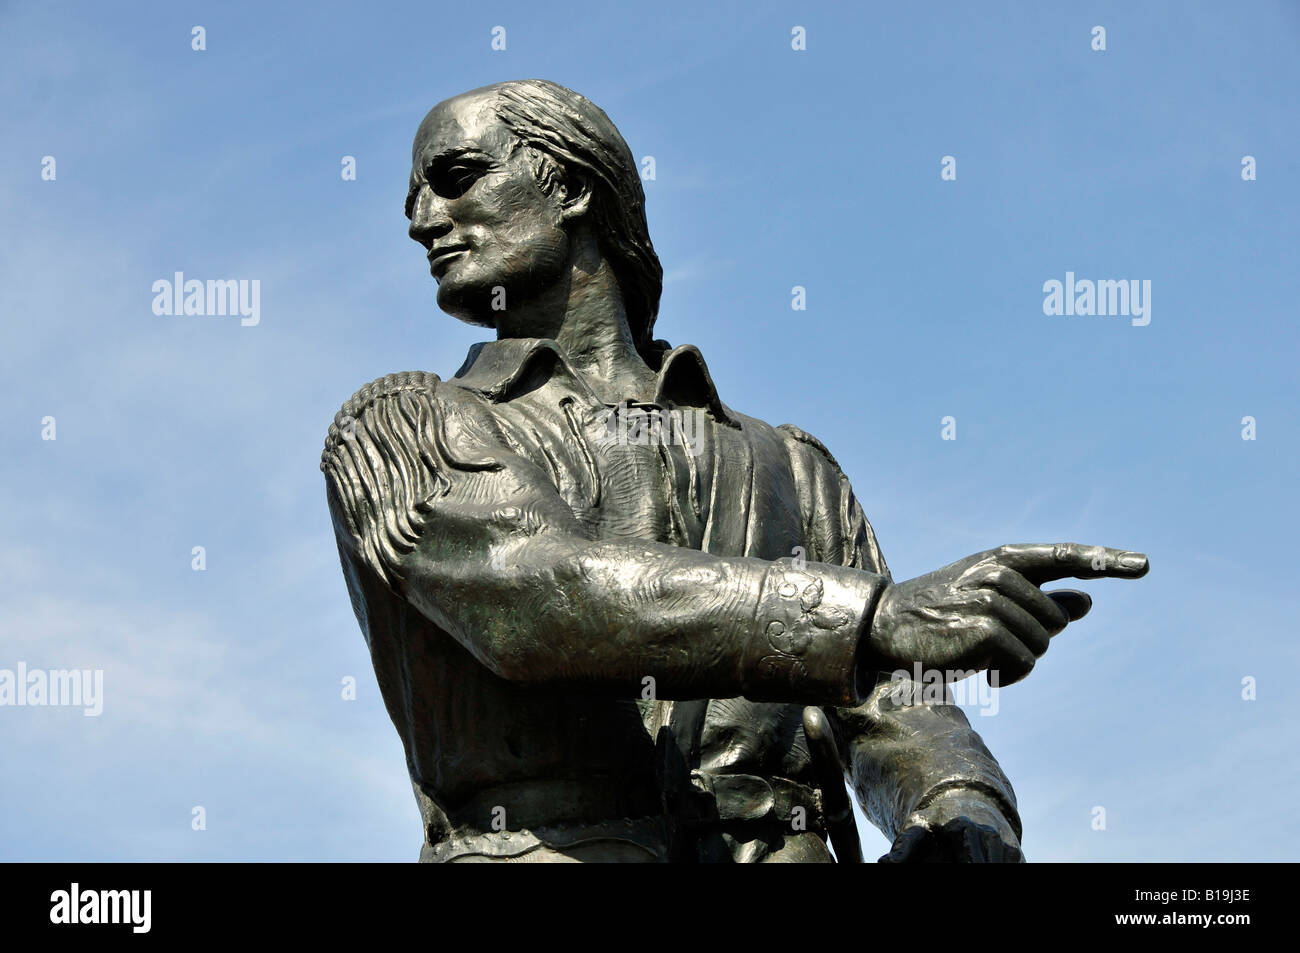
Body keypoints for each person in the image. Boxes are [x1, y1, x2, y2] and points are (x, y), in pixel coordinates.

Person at [321, 79, 1148, 862]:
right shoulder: (401, 425)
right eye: (414, 200)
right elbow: (539, 596)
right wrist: (872, 618)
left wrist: (962, 810)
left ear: (570, 188)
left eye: (456, 179)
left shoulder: (791, 464)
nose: (423, 220)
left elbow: (894, 704)